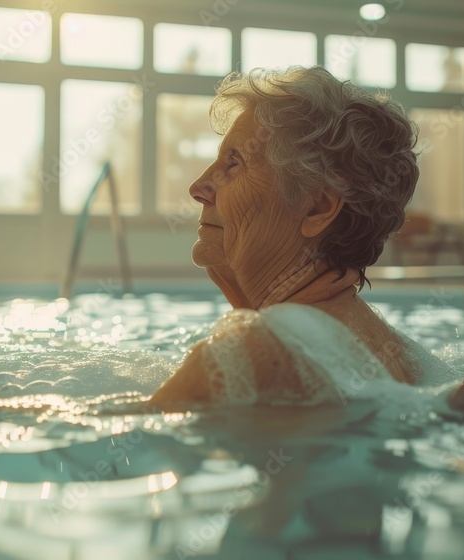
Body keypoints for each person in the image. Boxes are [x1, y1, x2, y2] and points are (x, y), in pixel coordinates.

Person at [149, 66, 436, 407]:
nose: (198, 188)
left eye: (234, 163)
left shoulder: (248, 356)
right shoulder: (403, 356)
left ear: (317, 208)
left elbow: (109, 454)